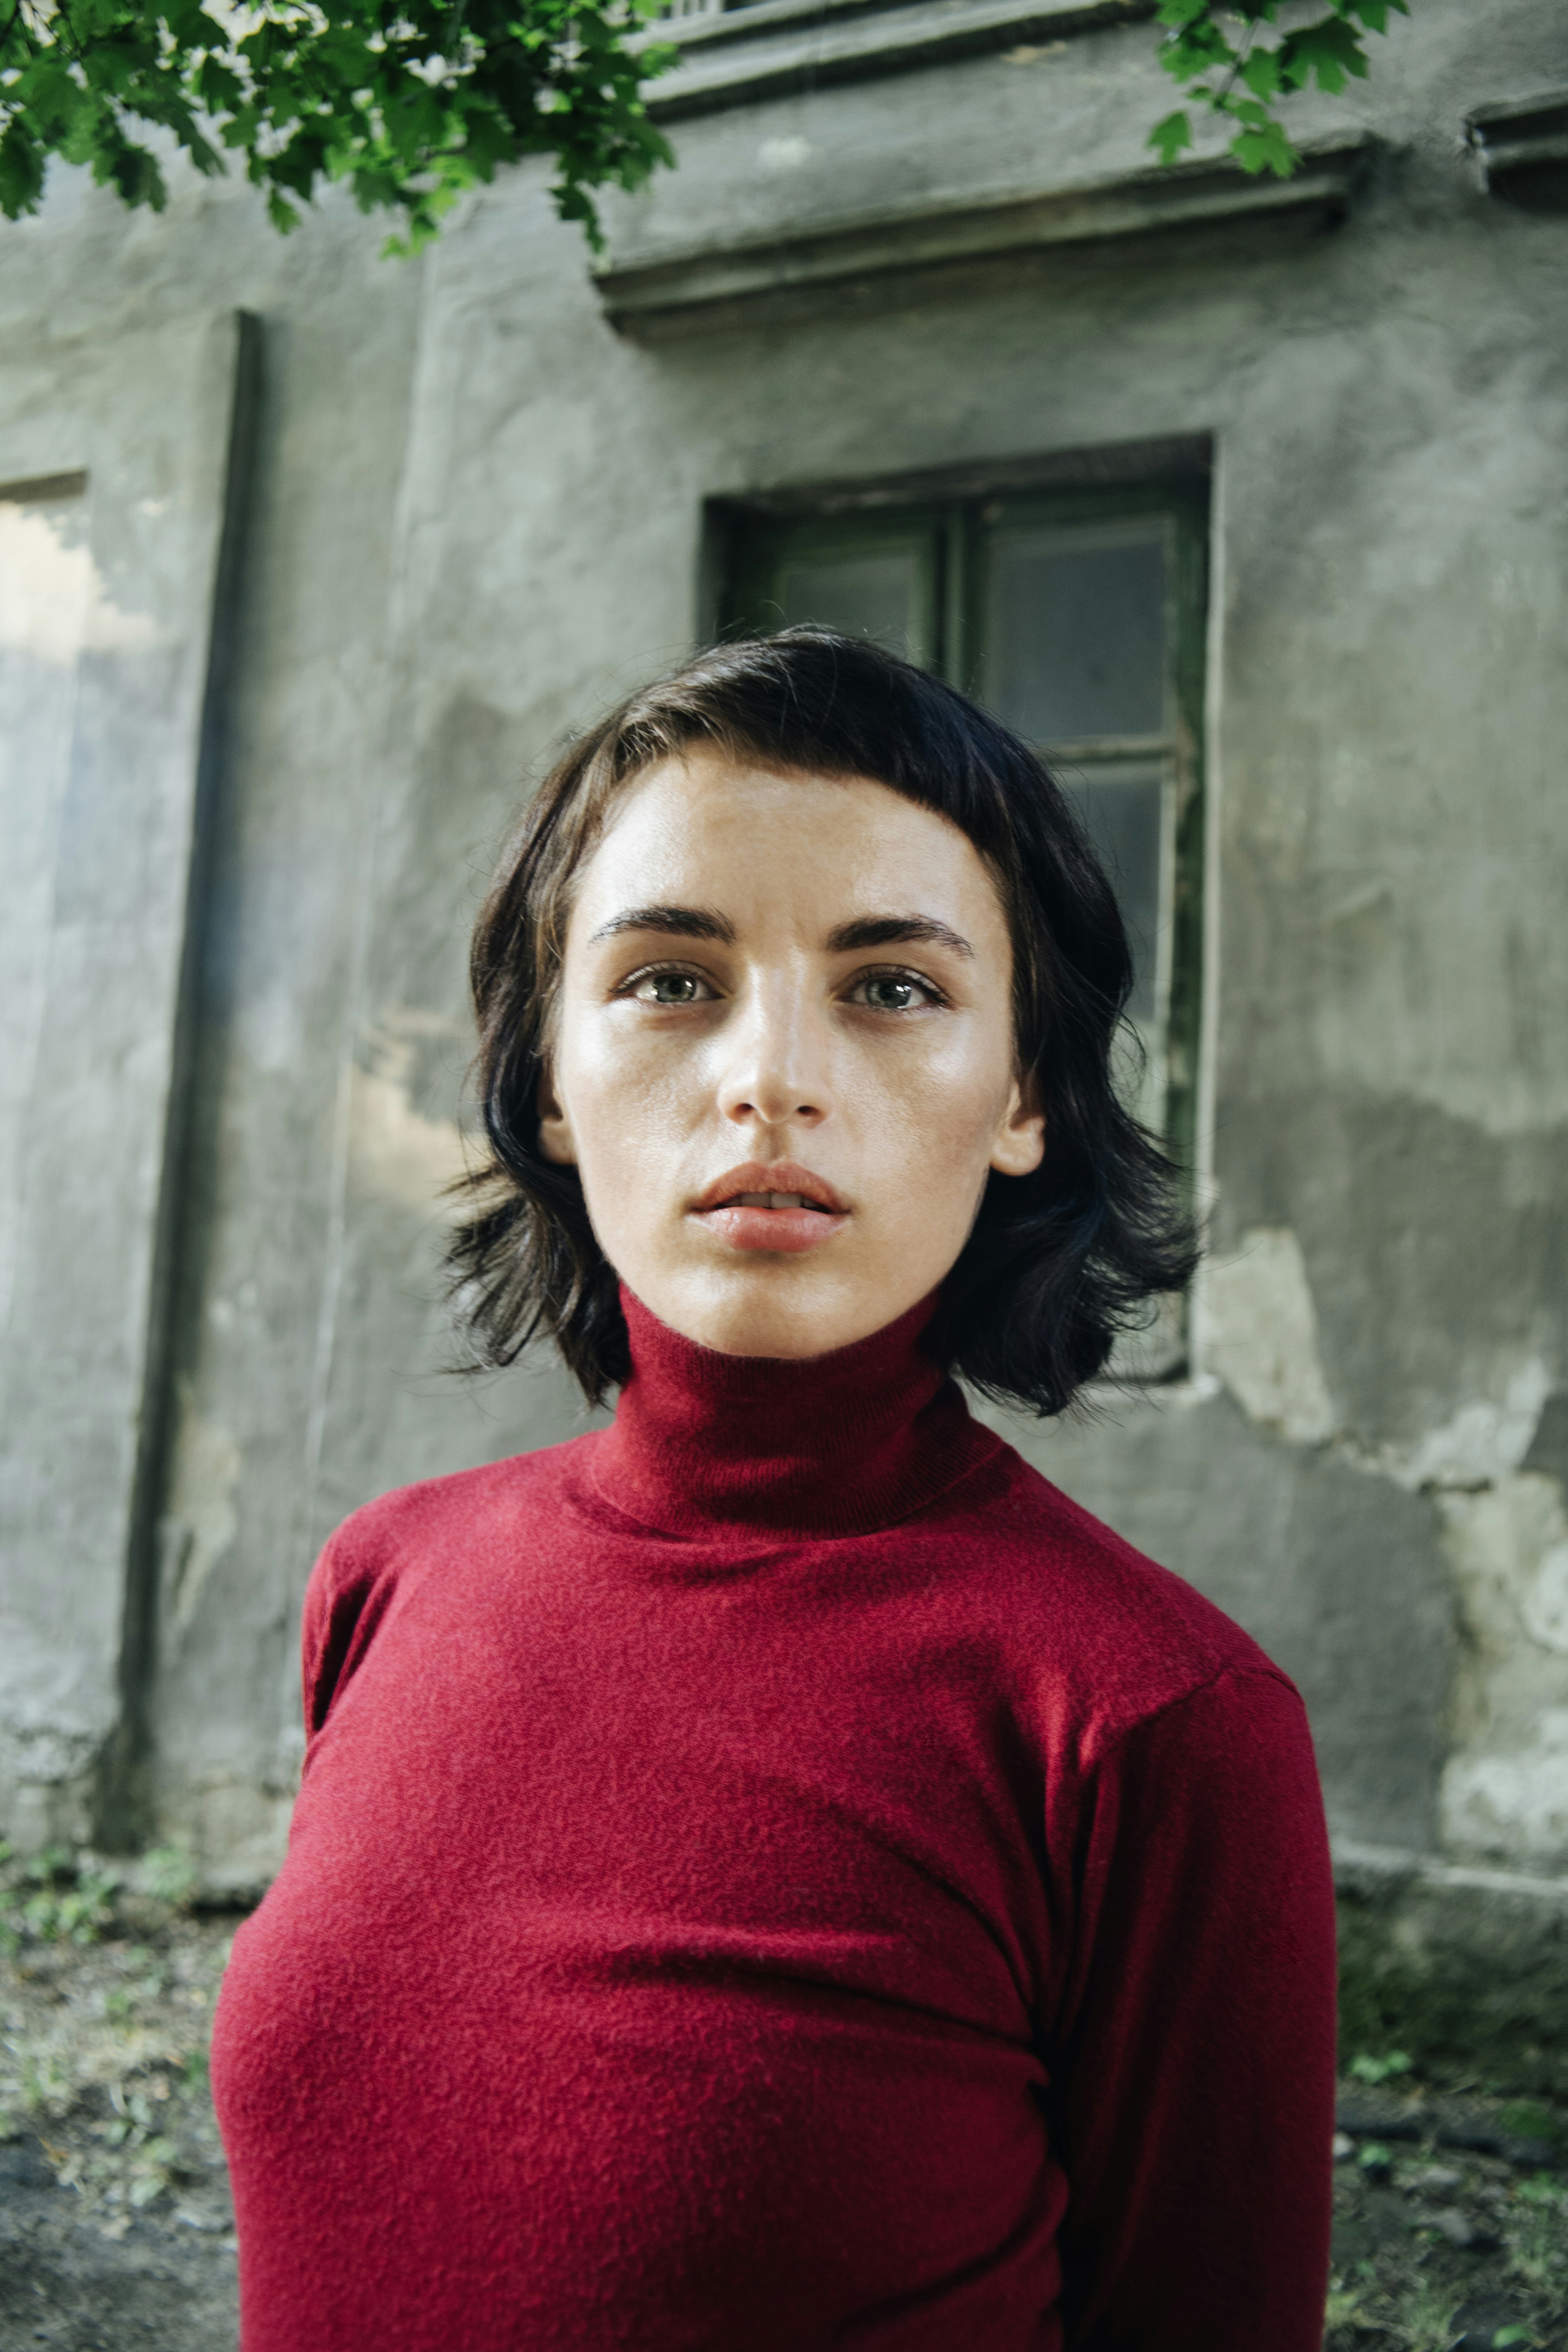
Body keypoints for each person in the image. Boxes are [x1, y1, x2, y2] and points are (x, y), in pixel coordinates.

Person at [211, 630, 1337, 2350]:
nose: (767, 1078)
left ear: (1025, 1091)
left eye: (892, 988)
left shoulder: (1147, 1726)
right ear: (550, 1084)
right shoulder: (385, 1580)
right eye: (670, 978)